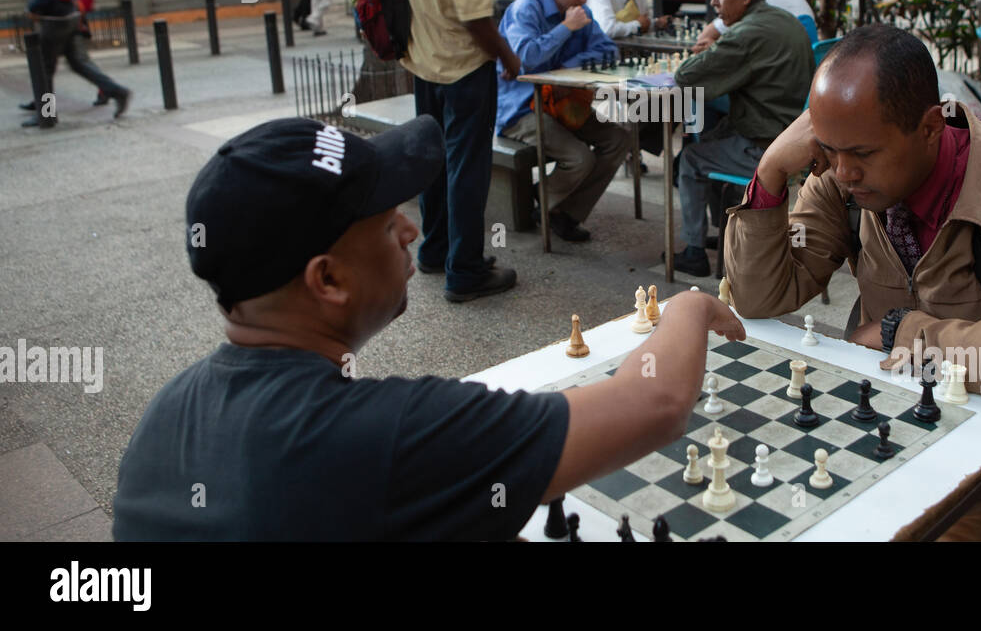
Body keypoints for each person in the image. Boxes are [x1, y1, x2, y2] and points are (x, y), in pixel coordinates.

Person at [112, 115, 745, 540]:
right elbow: (655, 404)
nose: (413, 231)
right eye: (389, 223)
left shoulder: (163, 416)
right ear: (327, 280)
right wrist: (688, 306)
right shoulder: (380, 434)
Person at [722, 24, 981, 540]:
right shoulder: (842, 178)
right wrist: (769, 174)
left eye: (863, 154)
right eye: (828, 150)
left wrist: (901, 334)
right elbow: (758, 298)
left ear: (929, 128)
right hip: (881, 430)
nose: (843, 172)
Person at [391, 0, 522, 302]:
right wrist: (507, 55)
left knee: (436, 160)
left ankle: (435, 250)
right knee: (468, 168)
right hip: (464, 67)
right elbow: (474, 17)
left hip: (421, 61)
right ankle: (464, 272)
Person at [671, 0, 815, 276]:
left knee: (691, 159)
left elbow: (686, 76)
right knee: (709, 137)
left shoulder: (745, 34)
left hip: (766, 148)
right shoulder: (786, 20)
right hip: (794, 138)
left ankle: (694, 250)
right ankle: (725, 232)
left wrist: (711, 49)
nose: (713, 1)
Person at [498, 0, 633, 243]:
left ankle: (564, 211)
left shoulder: (579, 10)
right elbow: (526, 58)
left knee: (620, 137)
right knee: (579, 158)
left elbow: (608, 51)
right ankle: (545, 200)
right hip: (521, 108)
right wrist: (565, 29)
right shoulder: (527, 8)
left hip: (565, 105)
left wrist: (561, 68)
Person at [4, 0, 130, 127]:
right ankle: (117, 91)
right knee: (78, 63)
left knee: (44, 67)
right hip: (70, 16)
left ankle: (46, 114)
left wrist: (32, 9)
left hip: (55, 20)